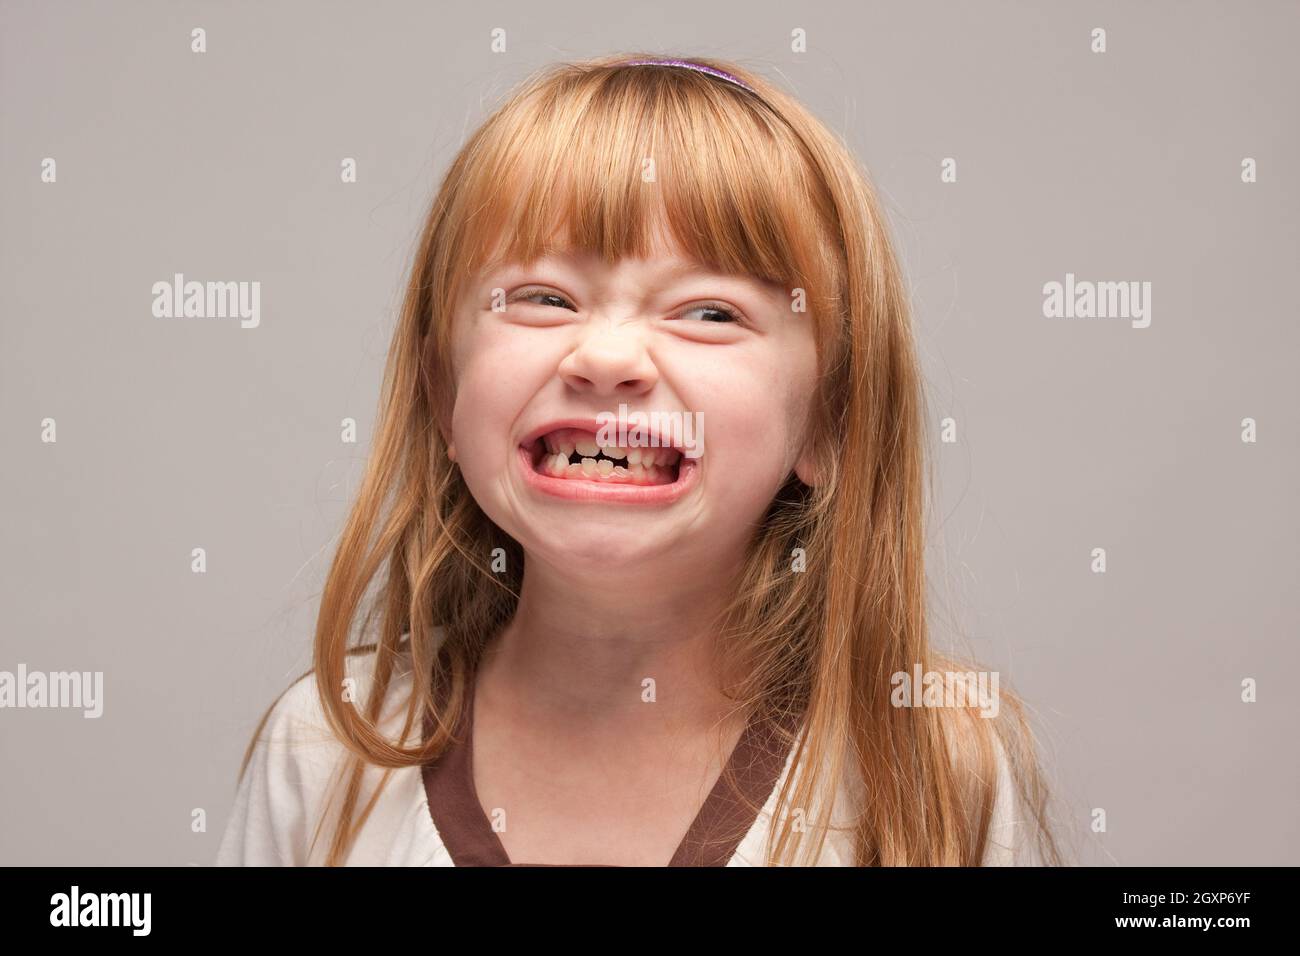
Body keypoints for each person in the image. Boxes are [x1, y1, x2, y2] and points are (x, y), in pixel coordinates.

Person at [216, 52, 1063, 867]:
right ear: (444, 395)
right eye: (544, 298)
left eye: (709, 313)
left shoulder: (927, 770)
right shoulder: (327, 751)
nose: (608, 354)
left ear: (828, 425)